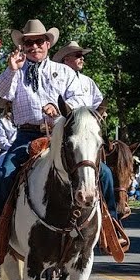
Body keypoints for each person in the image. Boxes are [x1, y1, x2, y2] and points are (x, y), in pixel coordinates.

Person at [0, 19, 83, 230]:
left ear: (48, 43)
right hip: (26, 136)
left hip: (61, 134)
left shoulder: (65, 72)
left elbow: (80, 100)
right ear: (23, 47)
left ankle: (107, 224)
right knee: (3, 176)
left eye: (39, 41)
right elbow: (0, 92)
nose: (35, 47)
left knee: (99, 171)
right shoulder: (16, 72)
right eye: (29, 43)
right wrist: (11, 70)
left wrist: (59, 108)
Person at [51, 40, 119, 218]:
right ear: (66, 59)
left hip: (86, 137)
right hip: (63, 133)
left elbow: (99, 103)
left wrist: (100, 115)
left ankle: (111, 221)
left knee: (105, 173)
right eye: (77, 55)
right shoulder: (56, 78)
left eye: (82, 56)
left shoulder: (88, 82)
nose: (82, 59)